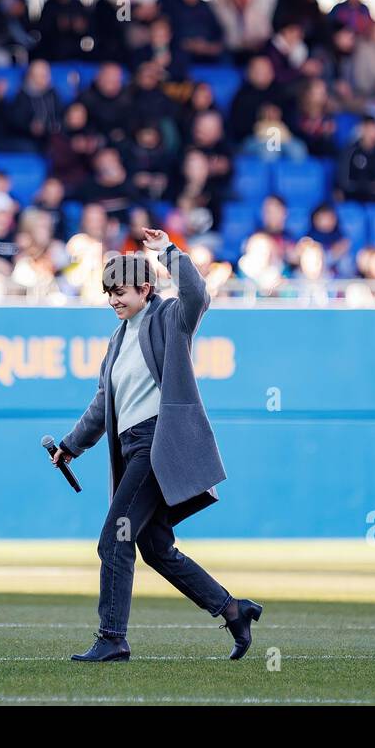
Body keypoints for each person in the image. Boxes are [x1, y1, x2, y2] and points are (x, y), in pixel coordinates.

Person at [51, 234, 263, 662]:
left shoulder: (169, 317)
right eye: (108, 292)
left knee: (114, 538)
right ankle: (232, 609)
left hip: (155, 446)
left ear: (145, 288)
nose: (113, 299)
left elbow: (198, 293)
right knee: (154, 548)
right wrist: (72, 446)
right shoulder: (116, 341)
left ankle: (112, 638)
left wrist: (167, 251)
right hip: (132, 450)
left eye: (120, 291)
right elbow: (102, 404)